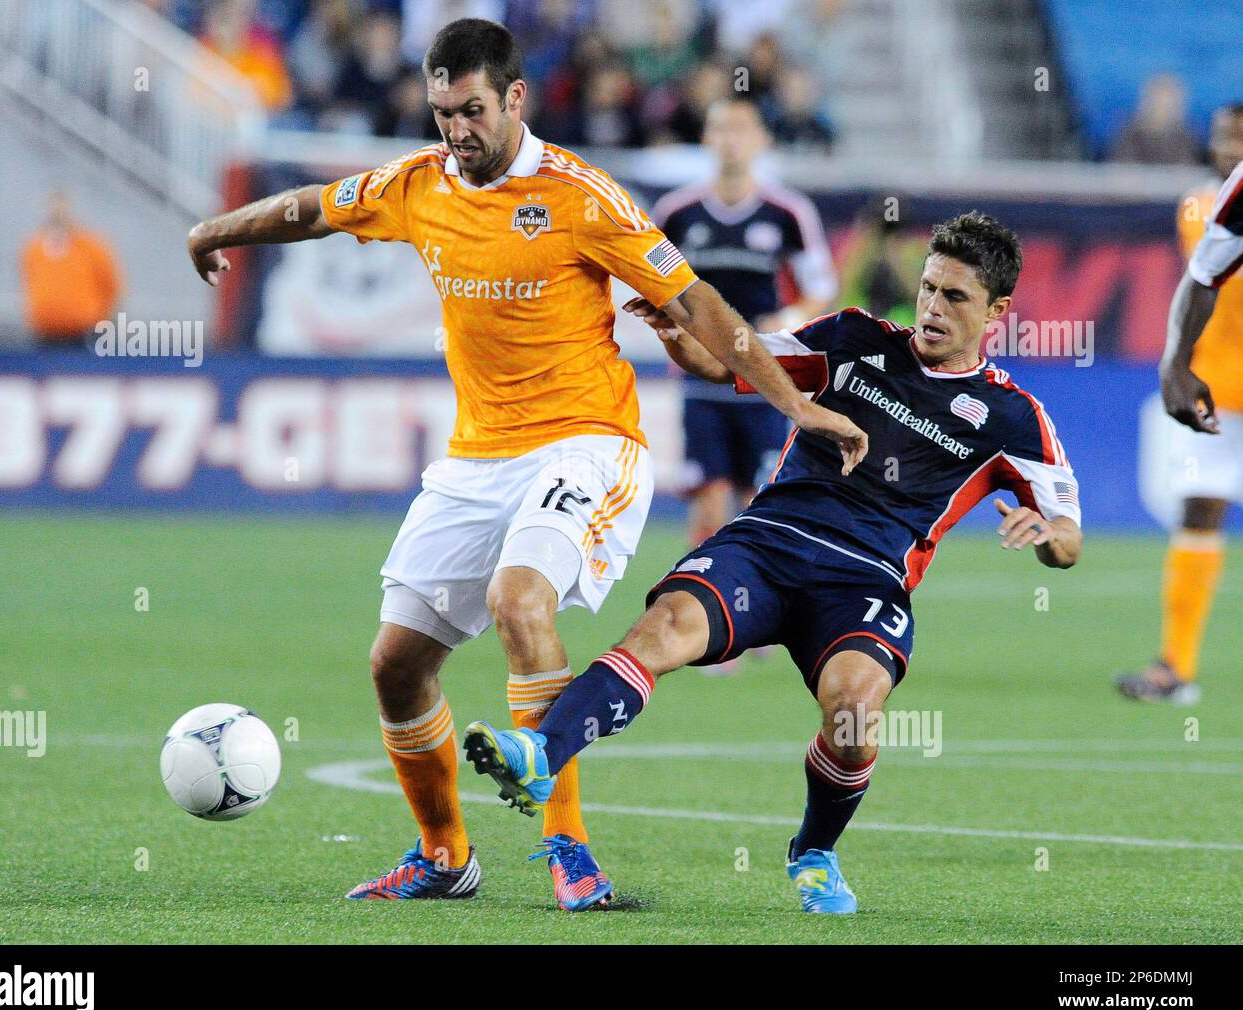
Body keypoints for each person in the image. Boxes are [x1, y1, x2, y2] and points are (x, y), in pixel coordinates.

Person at [185, 18, 863, 911]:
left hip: (588, 439)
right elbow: (314, 207)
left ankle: (571, 854)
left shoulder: (584, 197)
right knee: (395, 664)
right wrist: (216, 230)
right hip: (477, 455)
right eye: (439, 114)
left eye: (470, 111)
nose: (454, 132)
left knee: (519, 598)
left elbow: (696, 301)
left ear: (515, 98)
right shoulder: (418, 183)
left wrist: (798, 404)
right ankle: (444, 855)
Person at [464, 212, 1083, 915]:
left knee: (853, 713)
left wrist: (1046, 531)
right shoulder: (853, 338)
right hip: (768, 540)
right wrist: (677, 335)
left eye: (956, 297)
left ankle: (815, 850)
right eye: (930, 287)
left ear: (999, 310)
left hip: (865, 579)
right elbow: (736, 359)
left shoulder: (1012, 416)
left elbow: (1068, 535)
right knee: (664, 627)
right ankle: (541, 754)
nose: (933, 308)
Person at [655, 99, 837, 547]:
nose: (731, 140)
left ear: (762, 140)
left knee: (761, 499)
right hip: (701, 377)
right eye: (720, 129)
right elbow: (649, 280)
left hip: (763, 376)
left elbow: (821, 285)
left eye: (741, 129)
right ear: (706, 139)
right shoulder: (677, 213)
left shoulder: (787, 211)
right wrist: (675, 328)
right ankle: (700, 598)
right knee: (710, 502)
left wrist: (788, 317)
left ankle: (756, 603)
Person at [1120, 104, 1243, 703]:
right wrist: (1177, 364)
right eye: (1224, 137)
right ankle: (1176, 665)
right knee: (1200, 513)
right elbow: (1213, 273)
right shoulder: (1201, 207)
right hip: (1222, 390)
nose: (1230, 148)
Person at [20, 189, 122, 350]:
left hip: (82, 333)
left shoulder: (91, 245)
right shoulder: (35, 247)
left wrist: (100, 320)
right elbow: (29, 280)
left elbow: (111, 286)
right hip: (45, 332)